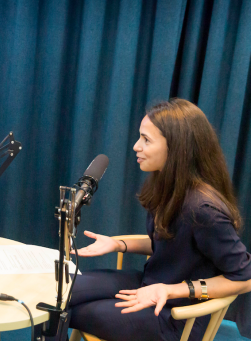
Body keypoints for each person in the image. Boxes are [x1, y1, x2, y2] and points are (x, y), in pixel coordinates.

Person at [62, 99, 251, 341]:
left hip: (176, 317)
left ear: (176, 148)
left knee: (61, 311)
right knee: (57, 294)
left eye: (146, 140)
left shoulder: (204, 209)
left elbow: (245, 277)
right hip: (149, 284)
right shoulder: (169, 185)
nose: (135, 147)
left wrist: (170, 290)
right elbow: (172, 243)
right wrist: (119, 245)